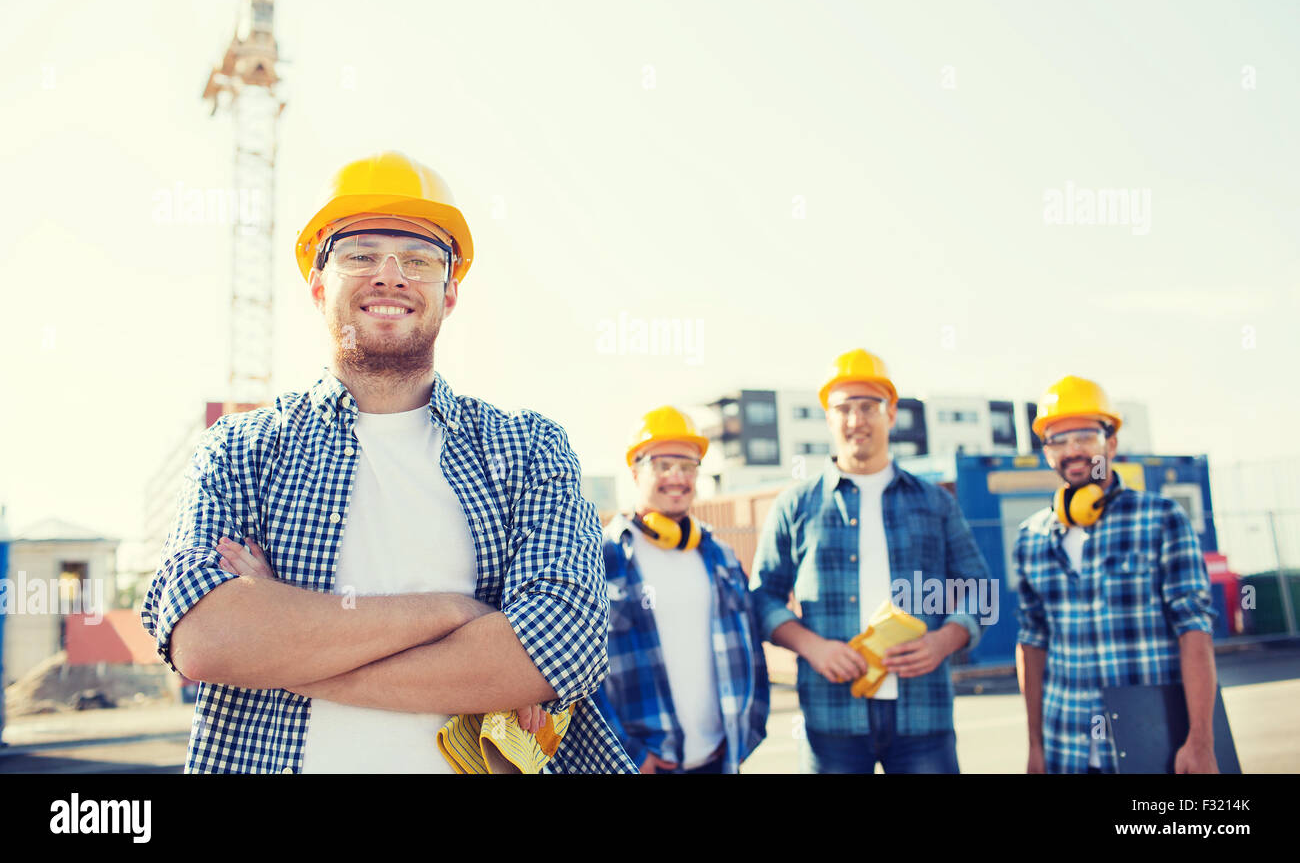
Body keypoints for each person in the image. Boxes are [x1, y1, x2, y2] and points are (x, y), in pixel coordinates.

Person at [141, 151, 635, 773]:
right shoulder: (241, 449)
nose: (391, 275)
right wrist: (457, 612)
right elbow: (206, 638)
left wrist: (283, 646)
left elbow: (560, 649)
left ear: (450, 293)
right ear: (319, 285)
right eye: (360, 254)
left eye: (420, 259)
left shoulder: (530, 449)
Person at [749, 348, 992, 773]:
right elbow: (762, 597)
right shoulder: (796, 505)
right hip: (832, 717)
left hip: (924, 715)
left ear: (891, 413)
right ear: (828, 417)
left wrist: (943, 641)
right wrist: (813, 647)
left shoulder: (936, 503)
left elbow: (978, 591)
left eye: (869, 406)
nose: (856, 420)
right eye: (844, 408)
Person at [1015, 375, 1218, 774]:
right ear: (1045, 451)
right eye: (1057, 439)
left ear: (1111, 443)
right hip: (1064, 749)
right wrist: (1034, 746)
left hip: (1151, 744)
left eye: (1085, 436)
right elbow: (1032, 643)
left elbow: (1194, 630)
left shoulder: (1161, 519)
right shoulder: (1030, 538)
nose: (1072, 450)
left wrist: (1201, 740)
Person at [593, 407, 769, 773]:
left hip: (720, 760)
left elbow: (751, 651)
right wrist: (626, 753)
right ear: (634, 470)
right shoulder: (599, 557)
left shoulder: (720, 555)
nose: (678, 477)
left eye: (688, 465)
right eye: (662, 464)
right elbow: (576, 675)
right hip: (640, 766)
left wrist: (747, 732)